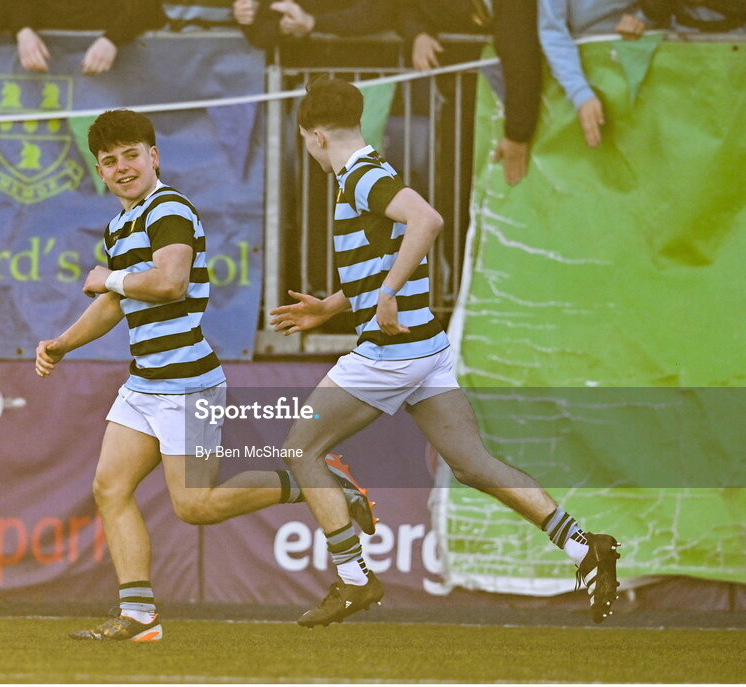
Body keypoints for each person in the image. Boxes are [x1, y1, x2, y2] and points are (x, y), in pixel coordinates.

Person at [269, 77, 622, 627]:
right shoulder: (364, 174)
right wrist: (333, 306)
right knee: (474, 466)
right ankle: (585, 547)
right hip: (425, 348)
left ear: (314, 137)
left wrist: (385, 294)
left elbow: (427, 221)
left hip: (391, 352)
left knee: (299, 452)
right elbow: (388, 256)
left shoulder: (360, 177)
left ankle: (353, 580)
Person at [35, 109, 374, 641]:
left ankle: (318, 482)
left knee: (195, 506)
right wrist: (63, 342)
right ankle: (140, 617)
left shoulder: (168, 209)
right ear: (100, 172)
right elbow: (114, 303)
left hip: (186, 383)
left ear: (154, 156)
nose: (122, 167)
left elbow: (167, 282)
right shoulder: (121, 222)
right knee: (109, 487)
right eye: (109, 161)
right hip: (144, 382)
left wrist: (110, 276)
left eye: (131, 155)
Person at [397, 0, 541, 186]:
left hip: (514, 104)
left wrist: (517, 134)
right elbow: (404, 7)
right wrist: (418, 34)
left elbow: (520, 52)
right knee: (456, 184)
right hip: (460, 98)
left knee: (508, 186)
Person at [0, 0, 166, 75]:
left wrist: (112, 40)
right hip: (42, 73)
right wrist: (23, 30)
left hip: (114, 71)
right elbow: (2, 11)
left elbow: (148, 7)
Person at [538, 1, 647, 148]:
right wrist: (580, 92)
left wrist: (645, 18)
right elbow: (552, 31)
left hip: (647, 54)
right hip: (585, 68)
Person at [234, 0, 395, 49]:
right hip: (304, 82)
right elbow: (258, 34)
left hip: (369, 73)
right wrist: (282, 27)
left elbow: (381, 11)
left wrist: (312, 22)